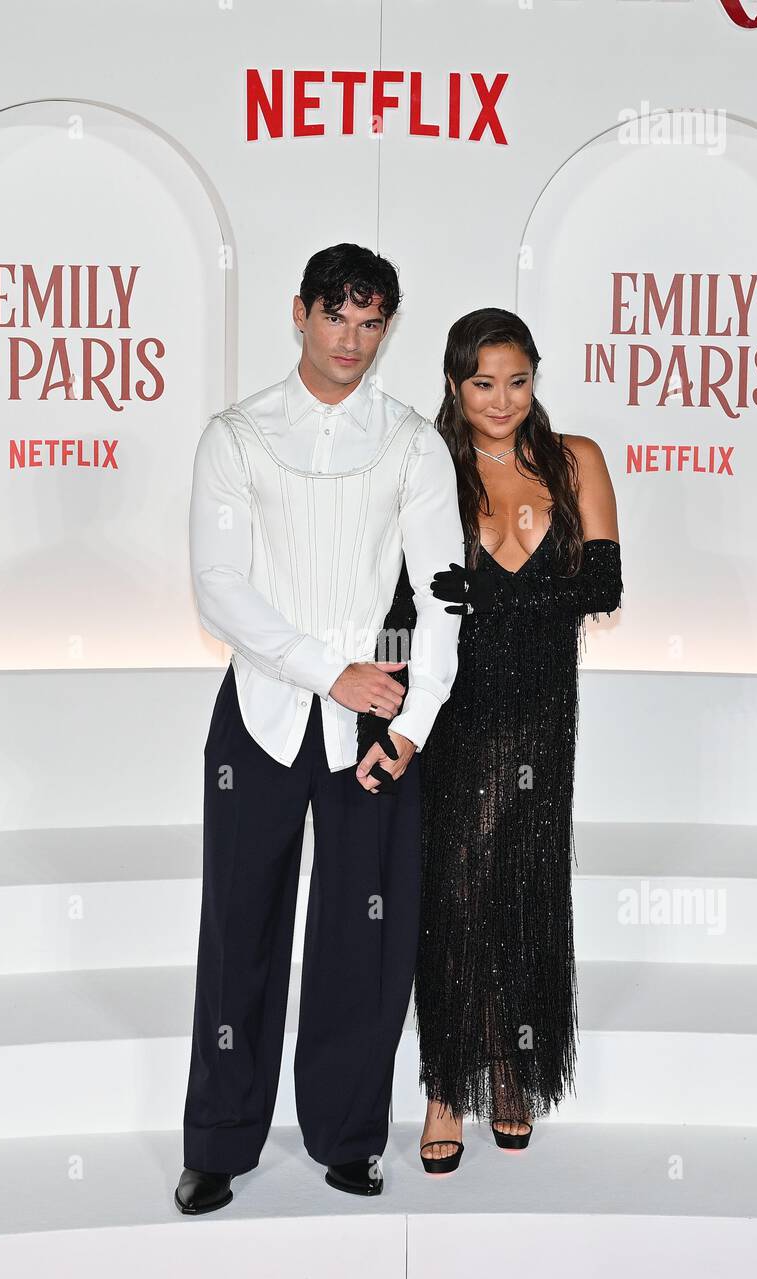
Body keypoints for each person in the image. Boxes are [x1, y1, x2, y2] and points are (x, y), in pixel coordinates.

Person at [175, 244, 465, 1213]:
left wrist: (412, 721)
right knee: (237, 931)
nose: (351, 338)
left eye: (370, 321)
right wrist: (323, 669)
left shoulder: (413, 441)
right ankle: (218, 1142)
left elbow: (441, 595)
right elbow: (219, 587)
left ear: (386, 329)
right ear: (299, 313)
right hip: (258, 715)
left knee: (363, 937)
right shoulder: (236, 432)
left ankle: (347, 1135)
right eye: (336, 315)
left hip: (376, 726)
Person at [357, 308, 623, 1174]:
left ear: (535, 376)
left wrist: (496, 602)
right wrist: (384, 721)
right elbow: (398, 614)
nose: (501, 399)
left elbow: (605, 585)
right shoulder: (429, 473)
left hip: (545, 711)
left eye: (516, 379)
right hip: (459, 715)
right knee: (458, 893)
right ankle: (446, 1084)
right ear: (453, 384)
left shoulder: (575, 459)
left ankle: (512, 1068)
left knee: (525, 886)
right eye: (481, 383)